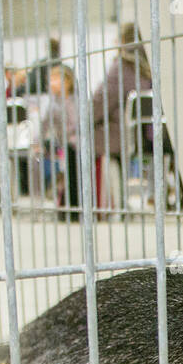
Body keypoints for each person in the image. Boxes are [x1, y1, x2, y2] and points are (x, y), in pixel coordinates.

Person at [88, 23, 152, 206]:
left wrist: (84, 121)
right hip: (147, 133)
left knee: (78, 139)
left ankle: (96, 202)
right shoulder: (148, 66)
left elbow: (100, 102)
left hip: (124, 135)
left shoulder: (122, 67)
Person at [38, 65, 81, 219]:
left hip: (75, 143)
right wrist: (38, 141)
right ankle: (66, 208)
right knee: (65, 175)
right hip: (64, 144)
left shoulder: (72, 100)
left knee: (73, 176)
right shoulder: (53, 102)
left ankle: (74, 208)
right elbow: (44, 123)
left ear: (67, 82)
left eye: (55, 79)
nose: (51, 82)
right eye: (50, 79)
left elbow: (75, 123)